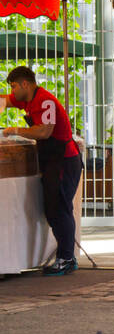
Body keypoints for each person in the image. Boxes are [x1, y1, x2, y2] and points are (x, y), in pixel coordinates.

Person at [0, 66, 83, 275]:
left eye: (13, 86)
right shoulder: (25, 99)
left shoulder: (45, 100)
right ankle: (65, 256)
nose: (12, 91)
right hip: (52, 161)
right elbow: (5, 101)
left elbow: (44, 132)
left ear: (24, 84)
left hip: (64, 160)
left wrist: (16, 130)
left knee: (60, 208)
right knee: (52, 208)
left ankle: (66, 258)